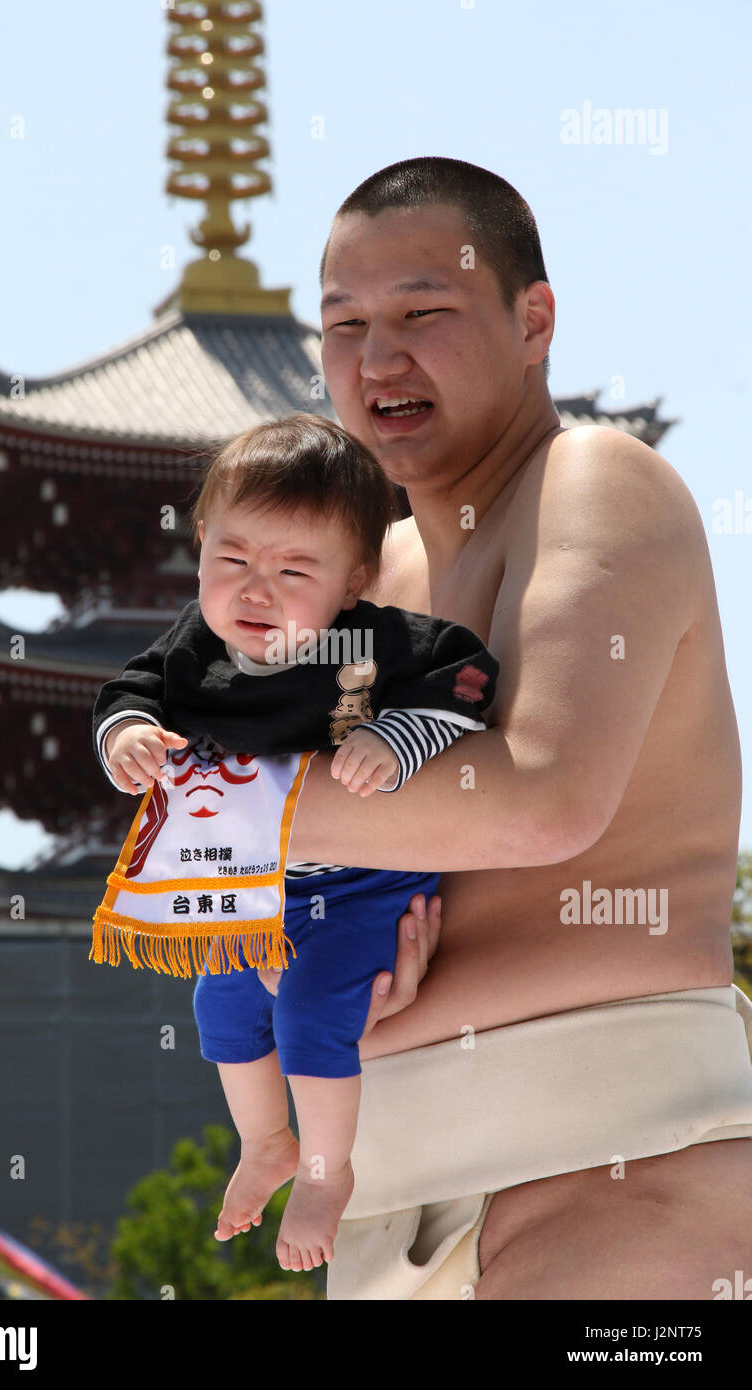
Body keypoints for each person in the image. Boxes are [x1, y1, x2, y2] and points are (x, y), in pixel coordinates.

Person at [264, 155, 752, 1298]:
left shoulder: (594, 478)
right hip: (381, 1202)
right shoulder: (361, 583)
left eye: (420, 313)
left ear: (532, 320)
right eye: (343, 325)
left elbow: (541, 795)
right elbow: (264, 873)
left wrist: (224, 806)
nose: (376, 360)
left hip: (616, 1171)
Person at [91, 413, 499, 1271]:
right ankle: (265, 1141)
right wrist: (127, 735)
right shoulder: (194, 646)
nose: (255, 591)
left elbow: (468, 677)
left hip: (364, 886)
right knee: (219, 1004)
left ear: (354, 582)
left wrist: (396, 738)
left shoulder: (375, 642)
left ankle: (325, 1170)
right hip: (251, 884)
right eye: (232, 559)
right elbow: (128, 692)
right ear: (201, 545)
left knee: (310, 1014)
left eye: (293, 571)